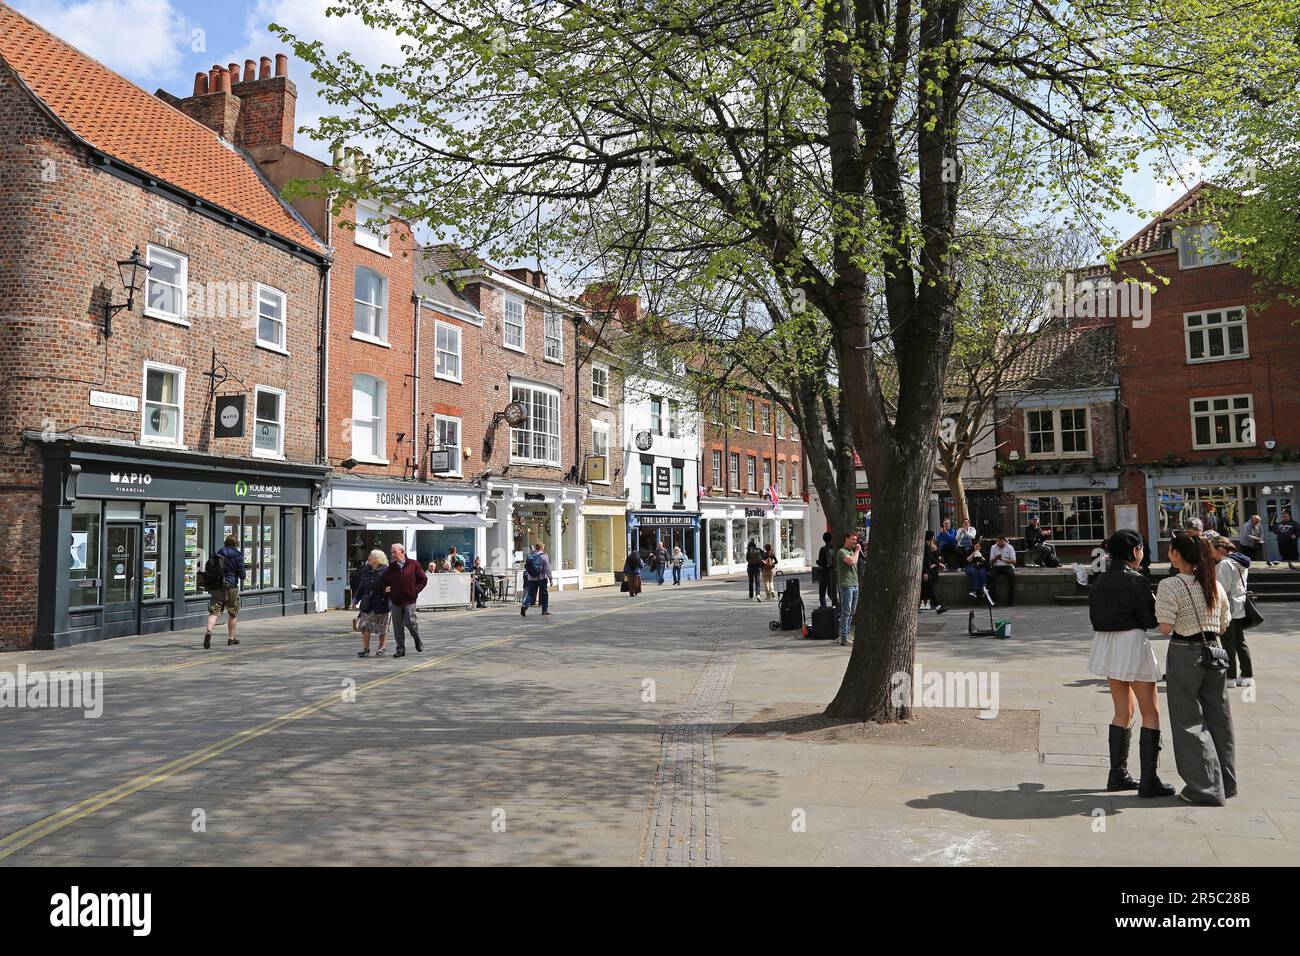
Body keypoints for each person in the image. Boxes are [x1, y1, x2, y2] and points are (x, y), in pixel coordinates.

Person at [1087, 529, 1170, 796]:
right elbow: (1149, 621)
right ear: (1134, 551)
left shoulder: (1099, 580)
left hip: (1107, 644)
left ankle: (1117, 774)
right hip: (1132, 643)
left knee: (1122, 711)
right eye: (1141, 549)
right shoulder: (1136, 580)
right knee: (1151, 712)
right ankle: (1149, 780)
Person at [1156, 532, 1236, 806]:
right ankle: (1225, 782)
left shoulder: (1170, 584)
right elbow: (1224, 624)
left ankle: (1204, 788)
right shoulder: (1212, 583)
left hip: (1185, 652)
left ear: (1176, 555)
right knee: (1219, 717)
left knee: (1188, 719)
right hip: (1216, 652)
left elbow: (1165, 628)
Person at [1214, 537, 1254, 688]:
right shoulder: (1241, 562)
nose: (1213, 555)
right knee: (1240, 641)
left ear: (1221, 549)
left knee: (1227, 643)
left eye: (1213, 550)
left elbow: (1221, 589)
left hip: (1228, 607)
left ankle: (1230, 677)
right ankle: (1247, 674)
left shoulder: (1225, 564)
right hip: (1240, 605)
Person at [380, 542, 426, 658]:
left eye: (395, 552)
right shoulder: (391, 567)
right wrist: (386, 588)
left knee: (410, 622)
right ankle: (400, 649)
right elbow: (384, 581)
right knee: (397, 626)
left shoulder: (413, 564)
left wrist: (415, 590)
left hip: (409, 600)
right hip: (395, 601)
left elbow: (423, 579)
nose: (393, 555)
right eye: (392, 553)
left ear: (402, 552)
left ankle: (417, 638)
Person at [203, 534, 246, 649]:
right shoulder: (238, 556)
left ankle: (208, 631)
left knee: (214, 612)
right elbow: (242, 575)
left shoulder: (218, 553)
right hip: (231, 586)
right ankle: (231, 638)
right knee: (233, 612)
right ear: (236, 544)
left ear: (225, 543)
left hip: (217, 585)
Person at [350, 549, 390, 657]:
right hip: (367, 604)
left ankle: (381, 648)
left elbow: (393, 583)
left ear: (377, 559)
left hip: (382, 603)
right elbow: (362, 586)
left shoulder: (386, 570)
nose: (368, 558)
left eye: (371, 556)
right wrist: (355, 600)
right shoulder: (366, 570)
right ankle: (366, 649)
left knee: (382, 628)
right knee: (364, 626)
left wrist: (391, 588)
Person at [836, 531, 862, 646]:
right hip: (847, 585)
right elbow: (852, 562)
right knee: (846, 612)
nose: (854, 542)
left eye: (856, 540)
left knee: (852, 611)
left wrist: (856, 551)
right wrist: (857, 551)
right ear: (846, 539)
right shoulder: (842, 552)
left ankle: (847, 634)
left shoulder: (852, 551)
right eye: (852, 539)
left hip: (855, 584)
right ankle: (843, 636)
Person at [521, 542, 552, 616]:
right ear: (541, 548)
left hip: (531, 578)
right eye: (543, 547)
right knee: (544, 594)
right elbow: (547, 569)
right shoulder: (544, 556)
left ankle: (525, 606)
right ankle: (544, 610)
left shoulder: (530, 556)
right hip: (542, 578)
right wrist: (550, 579)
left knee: (530, 594)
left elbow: (527, 567)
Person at [920, 530, 947, 614]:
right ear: (931, 537)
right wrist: (925, 572)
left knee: (930, 589)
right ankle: (938, 606)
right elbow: (925, 561)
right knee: (930, 589)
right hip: (926, 571)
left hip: (926, 570)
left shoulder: (926, 546)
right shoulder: (925, 547)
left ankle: (937, 606)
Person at [988, 534, 1017, 606]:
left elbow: (1013, 561)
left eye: (1001, 542)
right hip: (996, 566)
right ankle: (994, 600)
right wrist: (996, 558)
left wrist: (1003, 560)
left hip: (1007, 566)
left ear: (1005, 541)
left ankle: (1010, 600)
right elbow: (991, 562)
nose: (1000, 544)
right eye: (998, 542)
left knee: (1012, 577)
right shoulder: (993, 547)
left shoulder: (1010, 547)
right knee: (990, 578)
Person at [964, 539, 992, 605]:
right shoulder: (969, 551)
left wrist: (981, 557)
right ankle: (975, 590)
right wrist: (973, 554)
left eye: (979, 546)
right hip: (971, 566)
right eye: (976, 546)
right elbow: (967, 561)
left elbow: (986, 563)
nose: (978, 548)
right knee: (973, 572)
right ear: (973, 546)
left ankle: (983, 588)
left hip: (981, 566)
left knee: (982, 572)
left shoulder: (984, 552)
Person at [815, 532, 838, 607]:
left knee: (822, 593)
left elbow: (821, 562)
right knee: (831, 592)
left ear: (823, 539)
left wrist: (817, 562)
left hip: (824, 573)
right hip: (833, 572)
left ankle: (824, 609)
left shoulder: (823, 549)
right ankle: (837, 607)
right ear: (831, 539)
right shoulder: (835, 548)